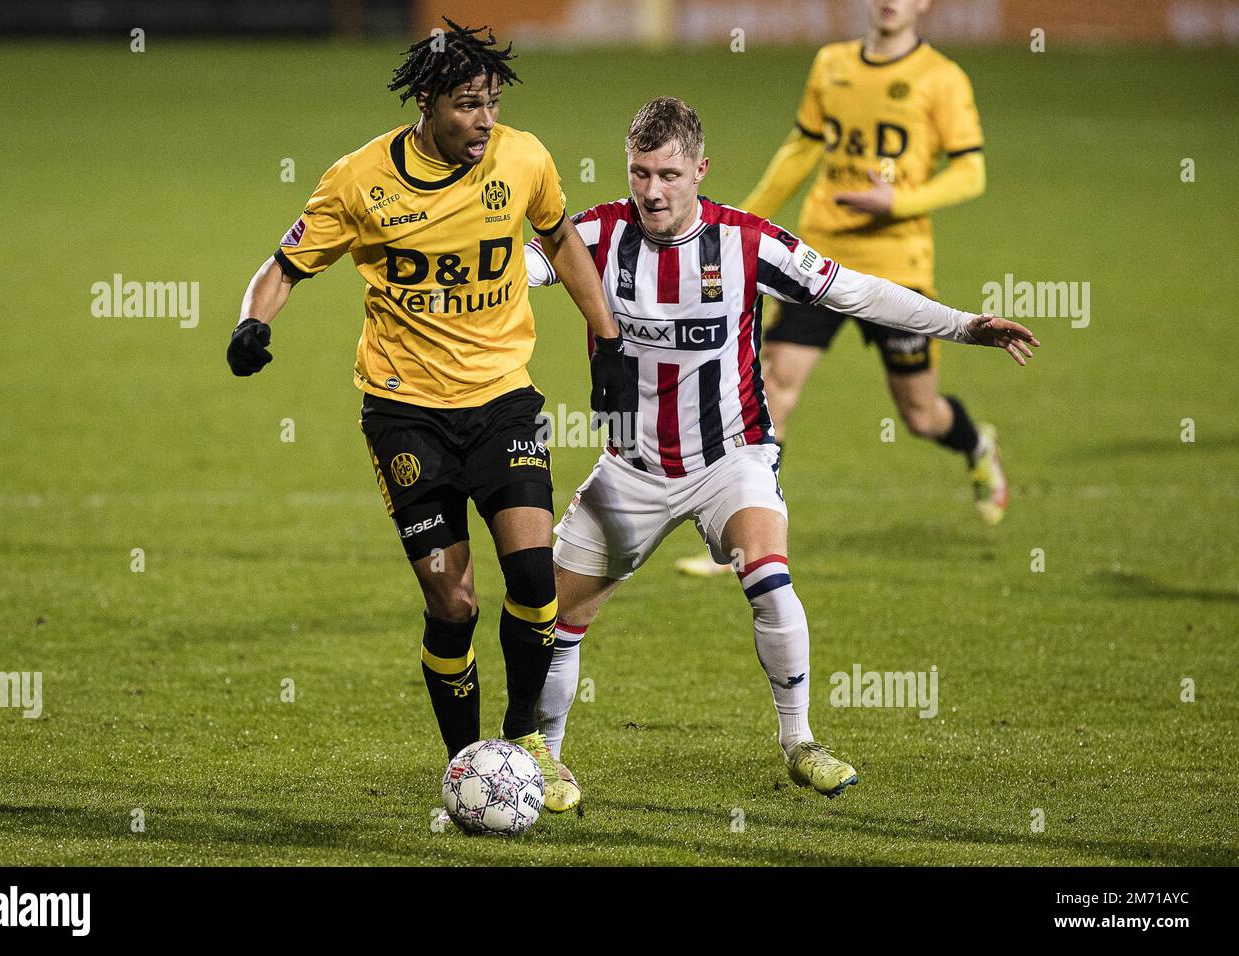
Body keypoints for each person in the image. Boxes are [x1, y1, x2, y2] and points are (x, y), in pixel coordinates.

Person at [525, 96, 1036, 810]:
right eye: (640, 173)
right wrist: (441, 273)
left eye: (669, 174)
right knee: (554, 618)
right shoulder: (599, 234)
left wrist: (964, 325)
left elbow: (855, 291)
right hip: (631, 469)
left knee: (768, 574)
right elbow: (516, 270)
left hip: (730, 460)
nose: (652, 191)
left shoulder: (745, 241)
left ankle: (799, 741)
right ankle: (546, 757)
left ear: (701, 169)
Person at [227, 19, 623, 812]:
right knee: (454, 601)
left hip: (502, 401)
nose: (486, 120)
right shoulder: (358, 181)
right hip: (405, 415)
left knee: (534, 578)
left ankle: (526, 741)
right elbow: (285, 263)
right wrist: (252, 323)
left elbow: (567, 242)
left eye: (493, 103)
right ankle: (466, 765)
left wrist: (606, 336)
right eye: (469, 105)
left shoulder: (525, 159)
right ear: (427, 102)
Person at [677, 0, 1001, 579]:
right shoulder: (830, 64)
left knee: (922, 415)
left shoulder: (942, 78)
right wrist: (742, 220)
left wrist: (899, 201)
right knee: (772, 383)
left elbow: (971, 171)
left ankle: (977, 446)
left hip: (896, 267)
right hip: (819, 260)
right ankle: (745, 540)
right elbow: (802, 147)